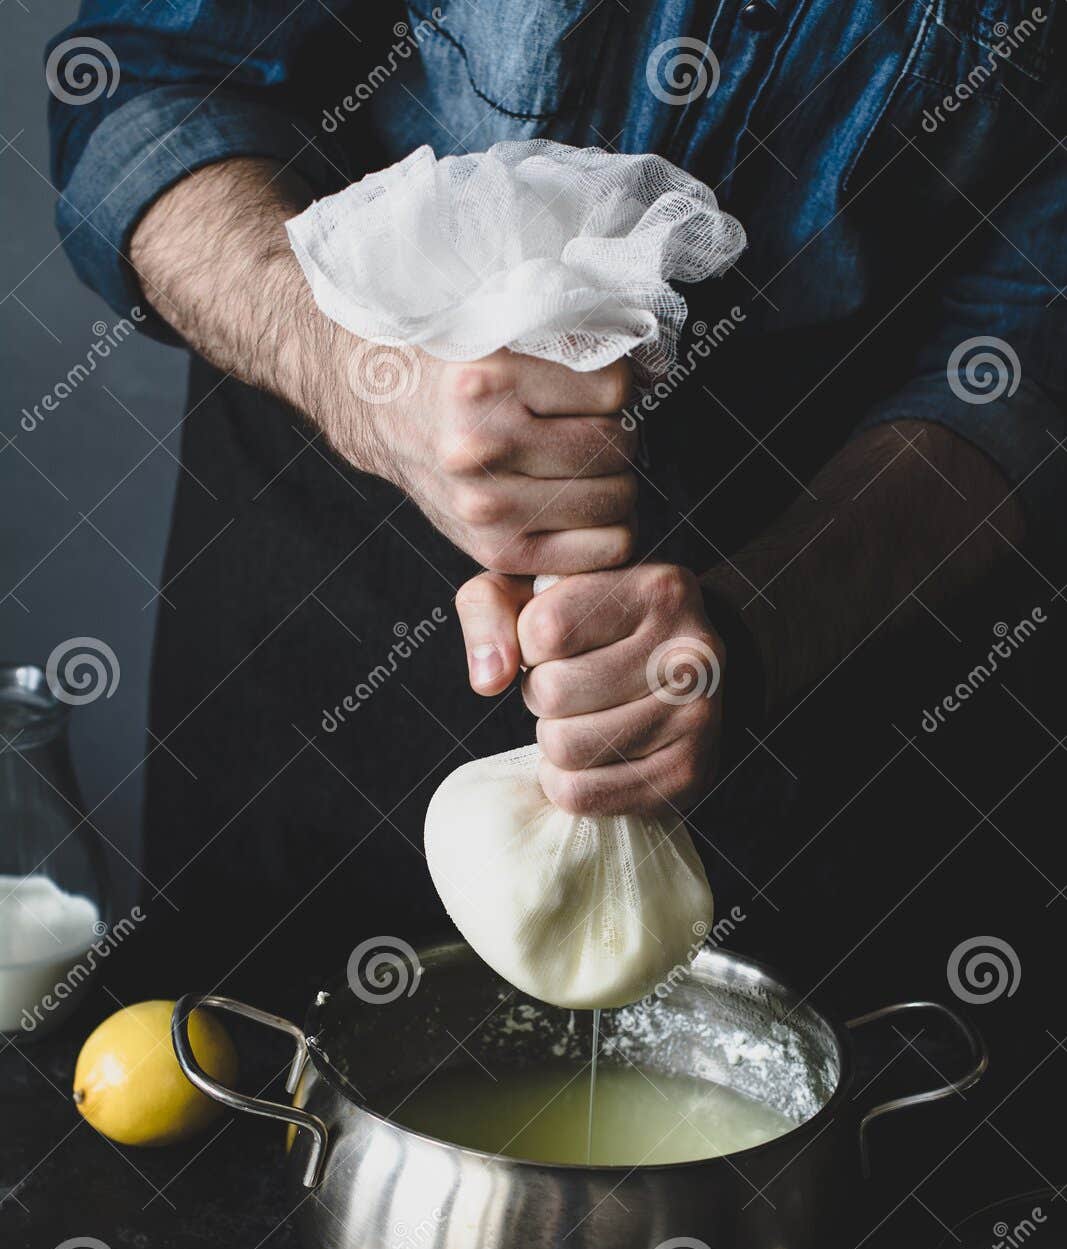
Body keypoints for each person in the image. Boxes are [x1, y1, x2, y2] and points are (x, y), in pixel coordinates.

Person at [47, 3, 1064, 999]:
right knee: (246, 1091)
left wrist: (765, 624)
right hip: (324, 617)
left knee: (795, 1134)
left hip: (836, 645)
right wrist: (359, 376)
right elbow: (146, 85)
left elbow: (1024, 352)